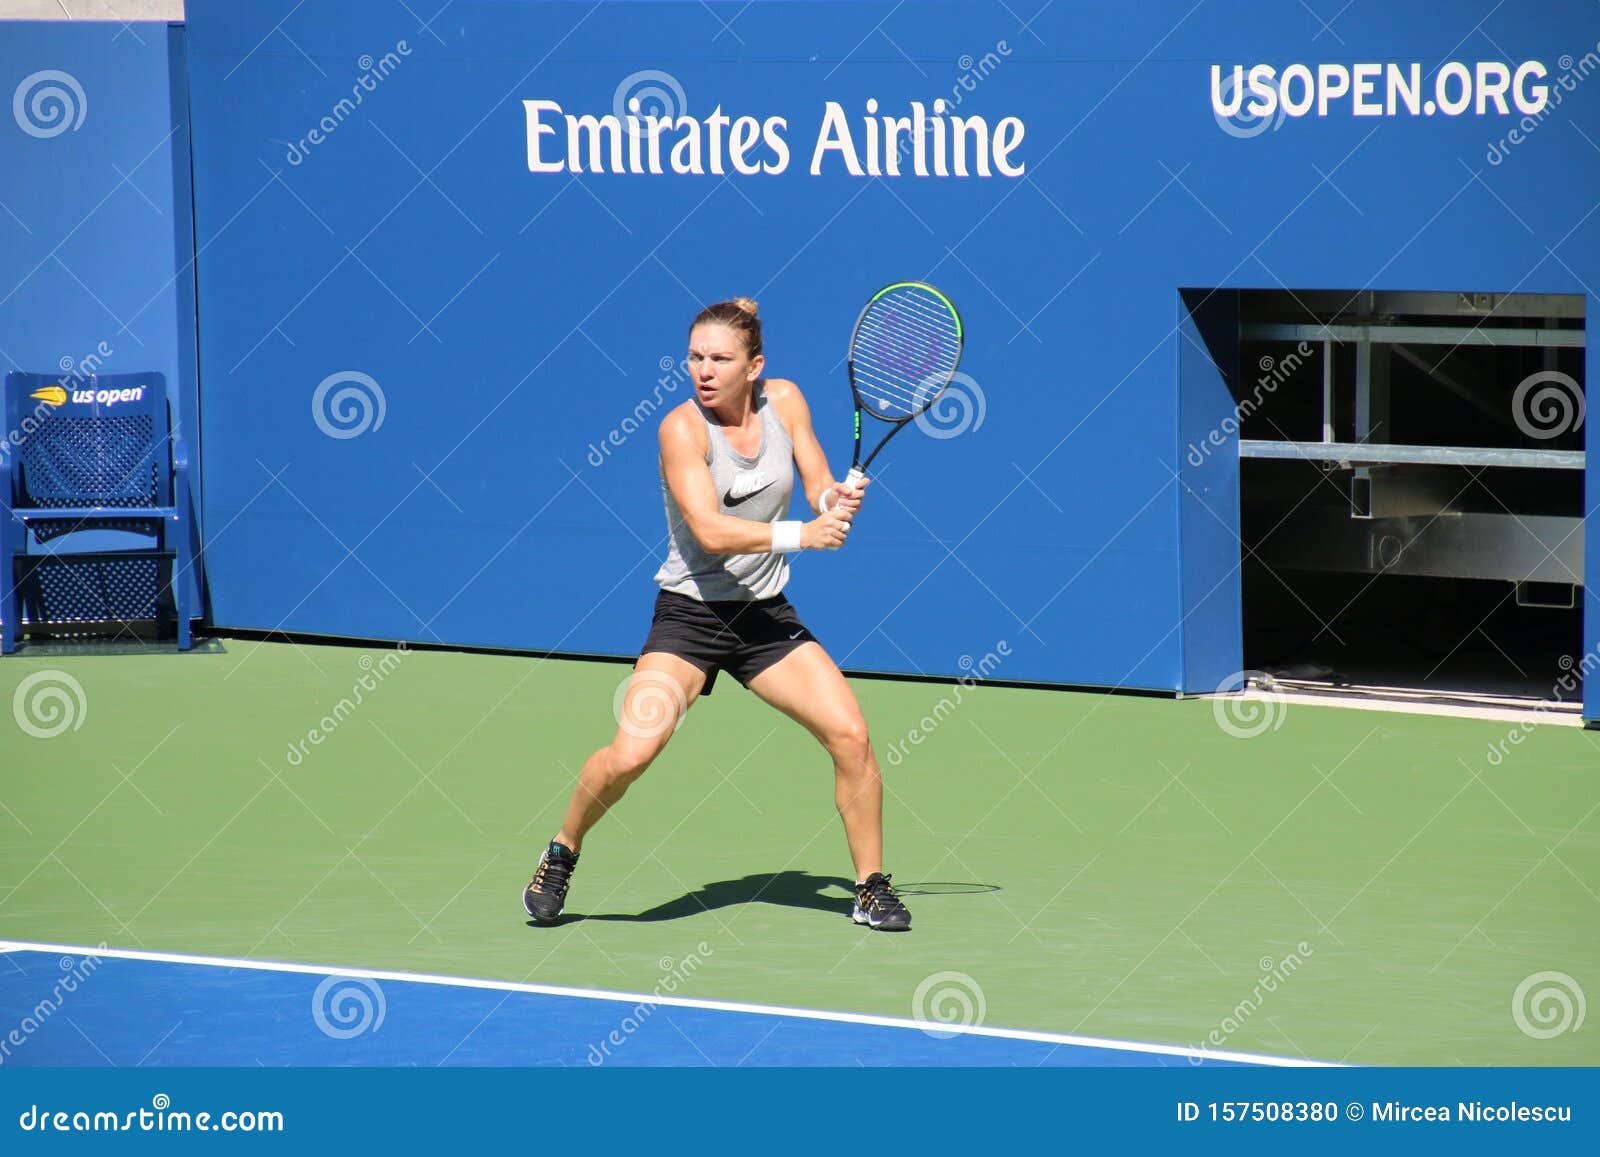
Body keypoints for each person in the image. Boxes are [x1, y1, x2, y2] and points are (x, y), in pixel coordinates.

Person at [523, 297, 912, 932]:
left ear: (754, 365)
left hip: (763, 617)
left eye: (720, 359)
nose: (703, 370)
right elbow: (708, 530)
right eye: (696, 357)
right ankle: (562, 850)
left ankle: (869, 886)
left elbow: (814, 477)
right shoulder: (680, 429)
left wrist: (831, 499)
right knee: (630, 756)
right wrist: (803, 536)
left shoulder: (785, 401)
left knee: (852, 737)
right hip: (690, 617)